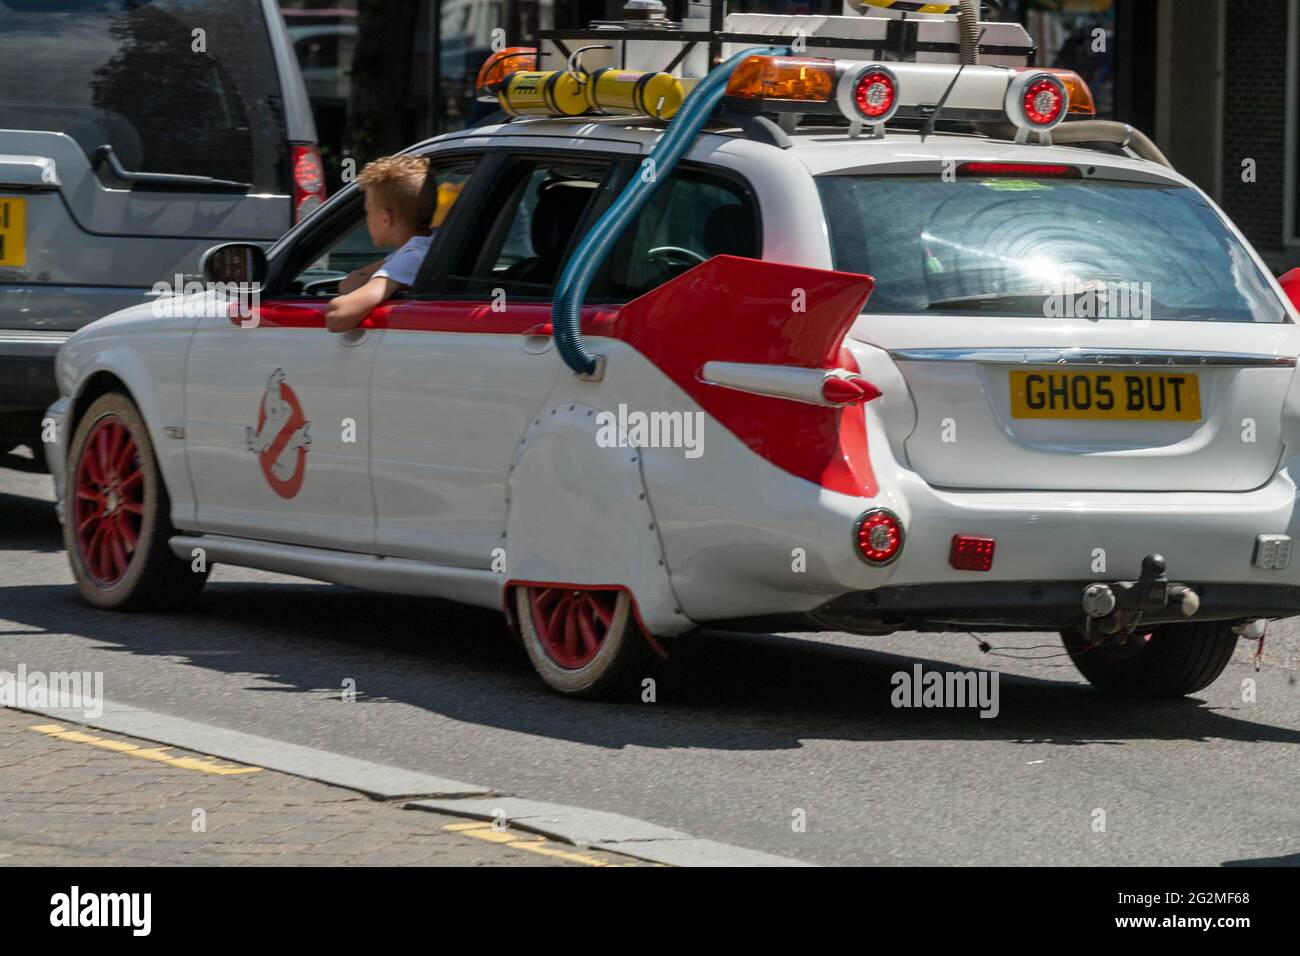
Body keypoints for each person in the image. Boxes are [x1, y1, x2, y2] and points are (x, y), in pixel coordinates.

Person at [325, 155, 435, 332]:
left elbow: (338, 316)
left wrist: (338, 301)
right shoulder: (422, 247)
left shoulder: (411, 258)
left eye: (368, 212)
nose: (367, 220)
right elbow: (354, 279)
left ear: (385, 219)